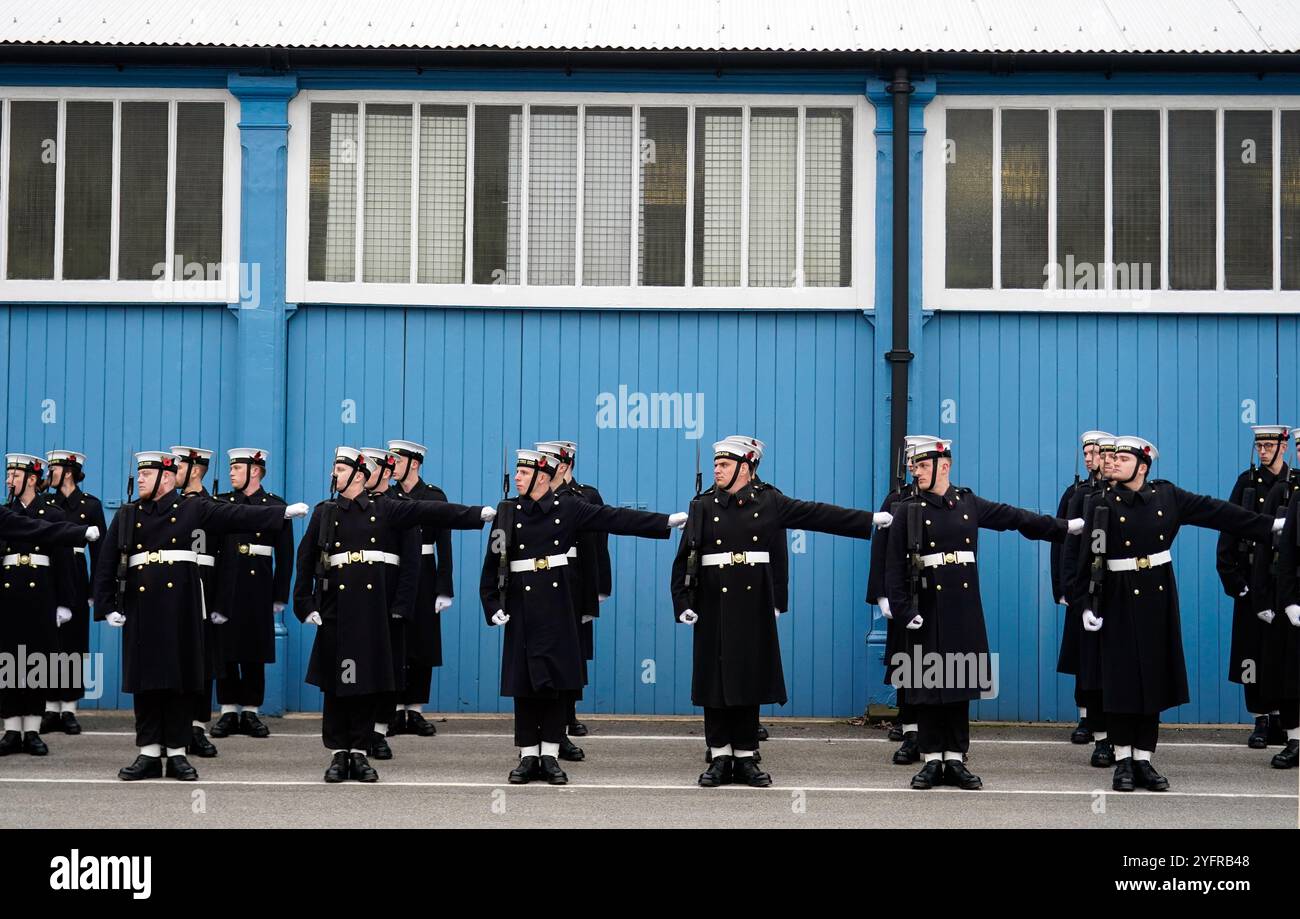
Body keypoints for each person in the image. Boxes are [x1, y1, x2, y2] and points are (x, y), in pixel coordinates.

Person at [673, 438, 892, 788]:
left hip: (751, 603)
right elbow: (685, 558)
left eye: (724, 465)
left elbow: (816, 513)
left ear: (744, 469)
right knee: (714, 682)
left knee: (749, 678)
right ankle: (719, 756)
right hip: (712, 603)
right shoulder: (701, 505)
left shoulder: (769, 501)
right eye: (716, 464)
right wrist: (683, 603)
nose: (717, 469)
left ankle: (744, 756)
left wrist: (868, 519)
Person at [1073, 436, 1283, 792]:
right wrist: (1086, 605)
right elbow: (1089, 558)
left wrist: (1267, 526)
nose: (1114, 462)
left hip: (1157, 597)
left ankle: (1144, 759)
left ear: (1143, 466)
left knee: (1152, 680)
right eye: (1115, 457)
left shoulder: (1166, 497)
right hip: (1119, 599)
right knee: (1123, 681)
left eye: (1123, 458)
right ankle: (1122, 761)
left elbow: (1217, 512)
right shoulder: (1103, 504)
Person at [92, 451, 309, 781]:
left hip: (181, 608)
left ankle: (177, 753)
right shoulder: (128, 514)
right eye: (139, 475)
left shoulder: (192, 508)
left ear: (166, 478)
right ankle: (149, 752)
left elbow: (235, 516)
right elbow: (108, 563)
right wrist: (107, 607)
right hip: (143, 610)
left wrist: (281, 514)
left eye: (146, 475)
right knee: (146, 682)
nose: (140, 480)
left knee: (180, 682)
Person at [884, 437, 1079, 790]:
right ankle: (931, 760)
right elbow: (894, 566)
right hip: (925, 606)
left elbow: (1015, 518)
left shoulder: (967, 503)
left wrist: (1063, 528)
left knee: (959, 684)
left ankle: (955, 759)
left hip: (962, 605)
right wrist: (903, 610)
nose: (916, 471)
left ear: (945, 466)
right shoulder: (908, 509)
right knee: (928, 686)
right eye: (914, 466)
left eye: (923, 465)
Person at [293, 447, 495, 783]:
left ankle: (359, 752)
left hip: (372, 614)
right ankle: (337, 753)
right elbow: (305, 561)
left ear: (358, 475)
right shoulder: (325, 512)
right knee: (337, 686)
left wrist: (475, 515)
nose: (334, 474)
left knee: (366, 685)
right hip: (336, 612)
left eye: (340, 469)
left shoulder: (385, 509)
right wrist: (305, 604)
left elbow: (430, 511)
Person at [483, 449, 683, 786]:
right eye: (517, 472)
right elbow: (493, 560)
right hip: (521, 606)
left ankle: (549, 755)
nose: (516, 477)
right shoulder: (507, 511)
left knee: (554, 682)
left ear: (542, 477)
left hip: (559, 603)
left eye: (522, 472)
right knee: (525, 684)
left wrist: (663, 522)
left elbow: (614, 519)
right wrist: (492, 604)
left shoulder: (569, 508)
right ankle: (528, 755)